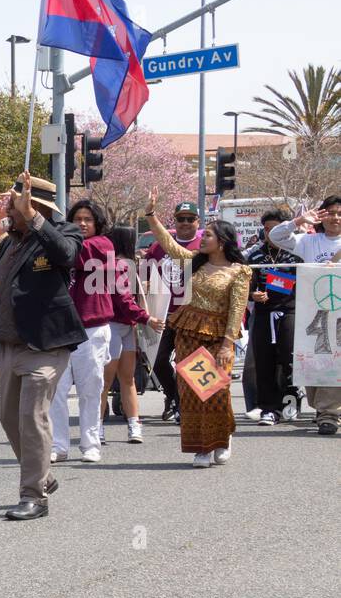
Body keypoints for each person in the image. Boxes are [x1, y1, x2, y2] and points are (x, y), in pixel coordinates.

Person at [0, 173, 85, 520]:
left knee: (32, 417)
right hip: (7, 346)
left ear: (36, 207)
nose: (9, 209)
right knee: (8, 417)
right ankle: (43, 476)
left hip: (44, 346)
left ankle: (33, 495)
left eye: (16, 204)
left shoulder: (63, 232)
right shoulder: (9, 241)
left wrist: (33, 217)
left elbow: (67, 255)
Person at [145, 191, 251, 467]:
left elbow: (237, 310)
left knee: (216, 391)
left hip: (219, 336)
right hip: (188, 332)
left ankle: (222, 438)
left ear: (223, 242)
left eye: (208, 236)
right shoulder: (195, 262)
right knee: (193, 391)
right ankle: (202, 447)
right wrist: (151, 216)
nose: (202, 239)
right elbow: (169, 245)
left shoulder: (238, 272)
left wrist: (228, 344)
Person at [51, 201, 162, 462]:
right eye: (77, 218)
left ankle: (90, 444)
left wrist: (144, 317)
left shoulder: (102, 245)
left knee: (92, 389)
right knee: (57, 390)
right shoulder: (65, 246)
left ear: (98, 224)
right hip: (60, 330)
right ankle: (59, 445)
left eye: (88, 219)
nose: (82, 223)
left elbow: (121, 294)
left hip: (92, 330)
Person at [267, 196, 341, 435]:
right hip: (315, 313)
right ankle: (323, 408)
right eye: (331, 212)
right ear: (322, 216)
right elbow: (275, 237)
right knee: (317, 362)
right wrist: (298, 221)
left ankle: (329, 413)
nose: (335, 217)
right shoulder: (309, 242)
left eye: (340, 213)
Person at [143, 202, 203, 422]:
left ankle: (185, 404)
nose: (185, 223)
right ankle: (172, 396)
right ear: (174, 222)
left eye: (190, 219)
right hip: (164, 313)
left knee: (185, 362)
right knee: (157, 360)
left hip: (192, 314)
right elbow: (144, 272)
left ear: (198, 221)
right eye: (181, 219)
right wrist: (145, 283)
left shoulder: (203, 245)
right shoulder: (159, 246)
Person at [101, 225, 162, 443]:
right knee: (115, 380)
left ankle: (132, 424)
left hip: (125, 325)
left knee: (123, 380)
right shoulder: (117, 265)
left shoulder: (121, 264)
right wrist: (147, 319)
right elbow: (124, 300)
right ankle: (104, 427)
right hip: (115, 325)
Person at [246, 210, 302, 425]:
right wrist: (254, 294)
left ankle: (291, 400)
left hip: (289, 312)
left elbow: (300, 284)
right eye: (266, 229)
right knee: (264, 360)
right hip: (263, 314)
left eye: (275, 228)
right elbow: (248, 286)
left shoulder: (295, 254)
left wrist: (276, 284)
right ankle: (269, 408)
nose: (270, 233)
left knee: (289, 358)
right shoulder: (256, 256)